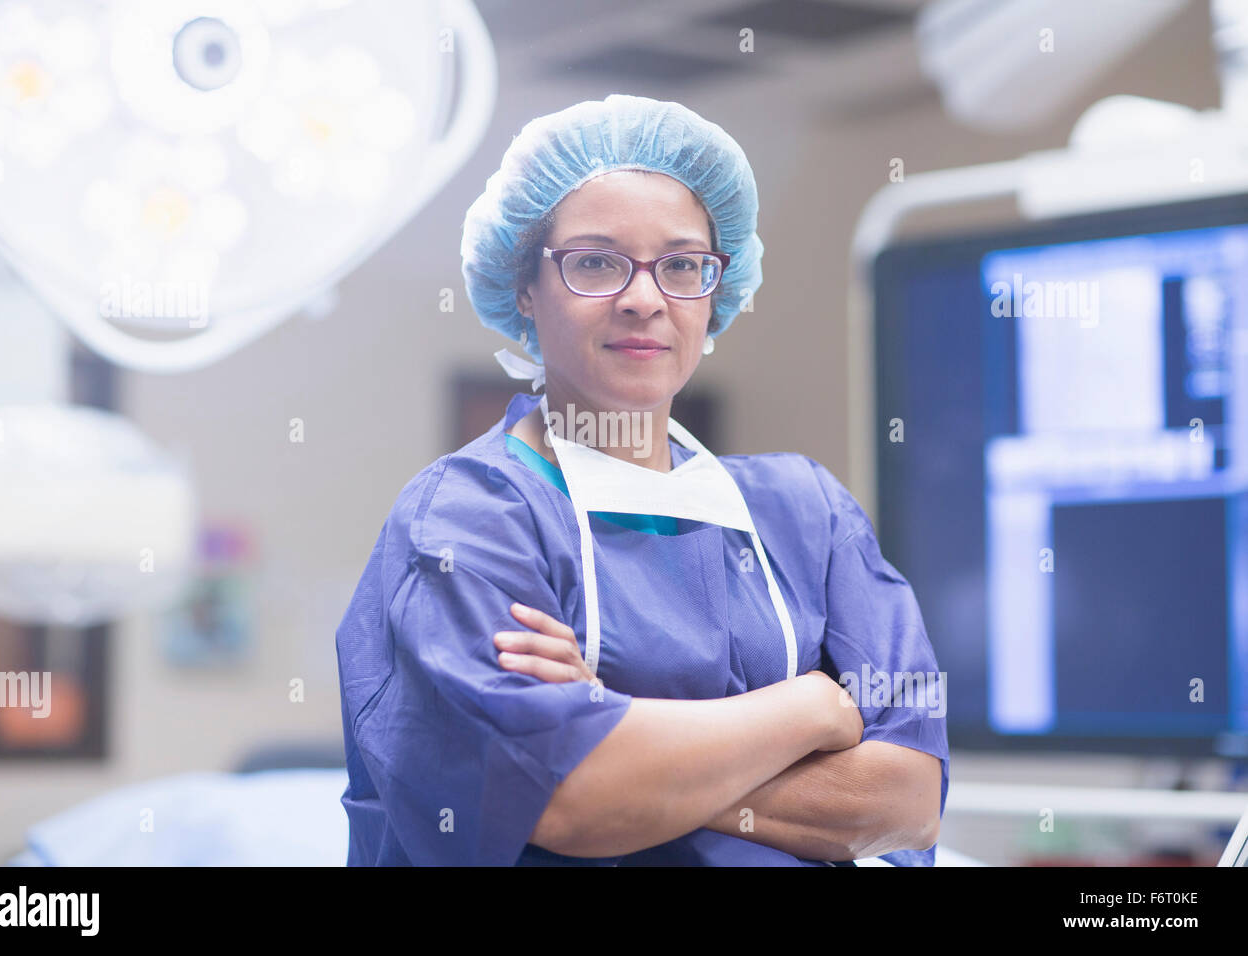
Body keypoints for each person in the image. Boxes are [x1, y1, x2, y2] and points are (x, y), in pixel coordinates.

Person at [336, 94, 948, 866]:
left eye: (683, 264)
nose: (643, 298)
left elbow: (908, 801)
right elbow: (573, 803)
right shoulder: (468, 521)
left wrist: (619, 730)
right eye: (595, 261)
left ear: (716, 289)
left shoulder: (807, 515)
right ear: (525, 287)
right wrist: (813, 708)